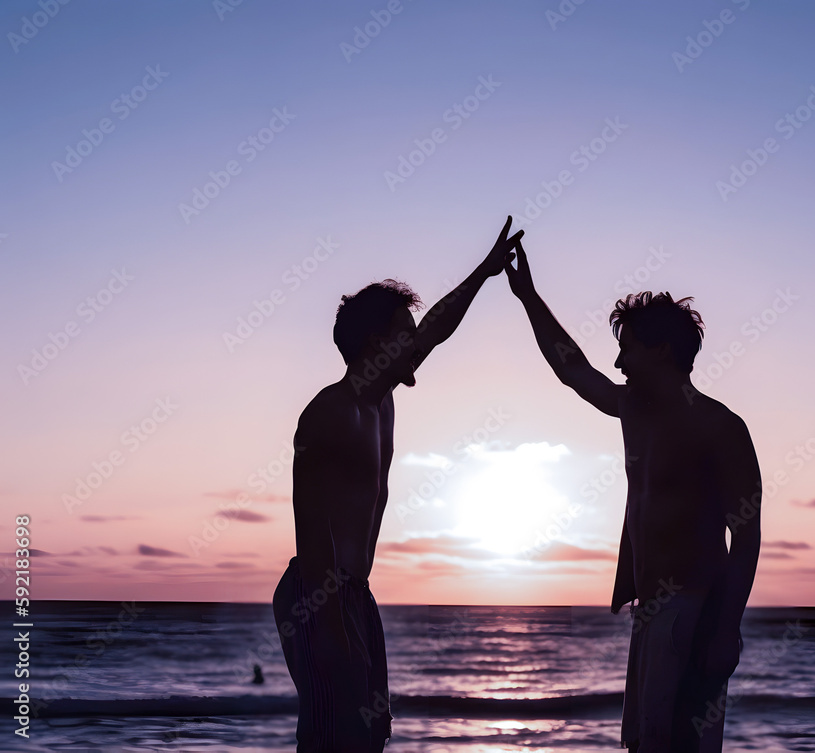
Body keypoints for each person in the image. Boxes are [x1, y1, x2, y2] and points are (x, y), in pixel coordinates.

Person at [273, 217, 523, 753]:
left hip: (354, 592)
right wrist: (340, 641)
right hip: (317, 593)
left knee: (370, 734)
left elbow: (438, 324)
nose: (416, 341)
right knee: (333, 734)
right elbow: (313, 544)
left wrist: (483, 272)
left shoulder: (382, 401)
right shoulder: (328, 415)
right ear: (375, 342)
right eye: (403, 333)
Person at [504, 242, 761, 752]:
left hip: (693, 611)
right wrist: (528, 298)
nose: (618, 361)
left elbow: (747, 535)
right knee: (645, 744)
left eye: (629, 348)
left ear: (662, 350)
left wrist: (725, 629)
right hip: (651, 612)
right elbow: (572, 369)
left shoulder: (720, 426)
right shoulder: (635, 412)